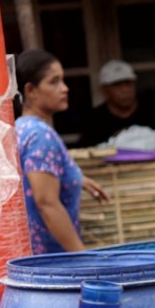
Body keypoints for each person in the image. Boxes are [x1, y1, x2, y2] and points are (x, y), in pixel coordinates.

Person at [14, 49, 110, 255]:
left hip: (31, 257)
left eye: (63, 80)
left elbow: (34, 177)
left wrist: (74, 177)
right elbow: (46, 202)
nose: (65, 88)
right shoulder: (40, 135)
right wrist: (83, 258)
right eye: (54, 82)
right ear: (30, 90)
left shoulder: (21, 128)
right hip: (50, 262)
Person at [78, 59, 155, 148]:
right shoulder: (95, 120)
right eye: (117, 85)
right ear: (105, 90)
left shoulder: (154, 112)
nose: (125, 90)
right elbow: (85, 154)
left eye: (128, 83)